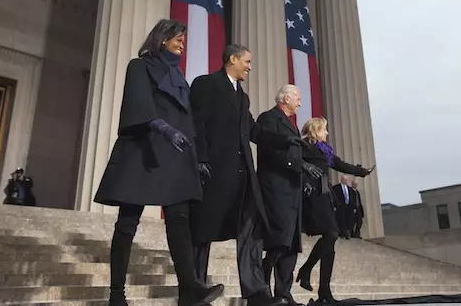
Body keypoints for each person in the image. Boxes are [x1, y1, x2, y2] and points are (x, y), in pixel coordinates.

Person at [93, 19, 224, 306]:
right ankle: (117, 295)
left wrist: (198, 157)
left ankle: (188, 288)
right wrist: (163, 128)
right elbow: (138, 103)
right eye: (178, 38)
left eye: (183, 40)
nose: (182, 43)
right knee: (128, 223)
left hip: (175, 157)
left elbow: (188, 120)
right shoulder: (140, 66)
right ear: (162, 38)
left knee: (179, 220)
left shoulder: (179, 77)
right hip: (143, 152)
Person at [189, 44, 308, 306]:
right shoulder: (206, 84)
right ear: (232, 59)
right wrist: (201, 158)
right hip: (214, 171)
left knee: (252, 231)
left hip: (244, 177)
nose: (250, 67)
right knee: (203, 229)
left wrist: (286, 140)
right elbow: (195, 122)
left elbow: (253, 131)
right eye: (247, 61)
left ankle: (255, 292)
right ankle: (194, 288)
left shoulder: (242, 97)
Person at [256, 85, 324, 306]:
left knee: (292, 243)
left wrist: (303, 178)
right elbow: (270, 150)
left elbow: (294, 156)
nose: (300, 103)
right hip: (275, 188)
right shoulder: (269, 119)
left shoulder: (293, 128)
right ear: (285, 98)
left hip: (293, 189)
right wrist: (301, 166)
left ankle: (283, 292)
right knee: (280, 240)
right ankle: (262, 288)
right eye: (297, 98)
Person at [296, 117, 373, 304]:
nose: (327, 133)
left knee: (330, 245)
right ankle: (305, 269)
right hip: (312, 196)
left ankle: (325, 292)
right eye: (324, 130)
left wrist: (360, 172)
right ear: (315, 130)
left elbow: (339, 164)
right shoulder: (304, 145)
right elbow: (296, 165)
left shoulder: (325, 150)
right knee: (331, 234)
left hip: (325, 196)